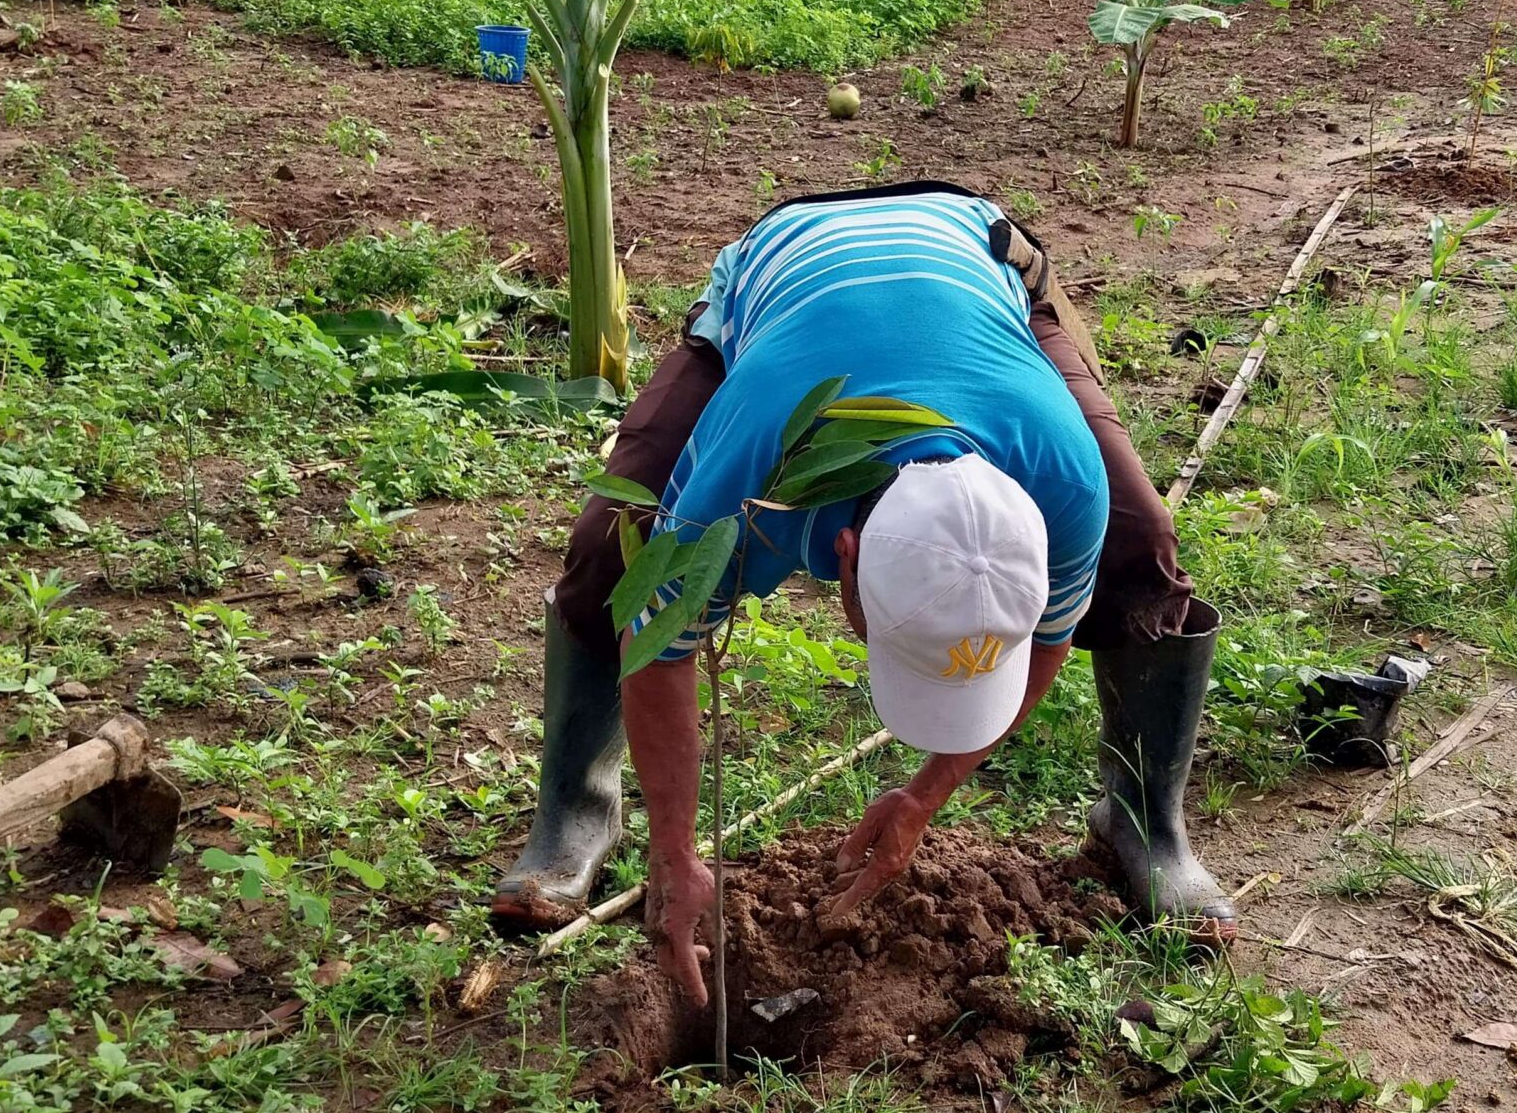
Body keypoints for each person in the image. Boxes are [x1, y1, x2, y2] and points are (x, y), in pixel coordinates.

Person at [490, 183, 1232, 1004]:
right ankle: (574, 810)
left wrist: (923, 797)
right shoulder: (752, 479)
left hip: (978, 255)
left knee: (1144, 549)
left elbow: (1047, 641)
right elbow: (660, 644)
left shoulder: (1060, 483)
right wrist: (677, 850)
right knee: (609, 557)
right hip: (787, 270)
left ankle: (1143, 821)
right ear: (844, 553)